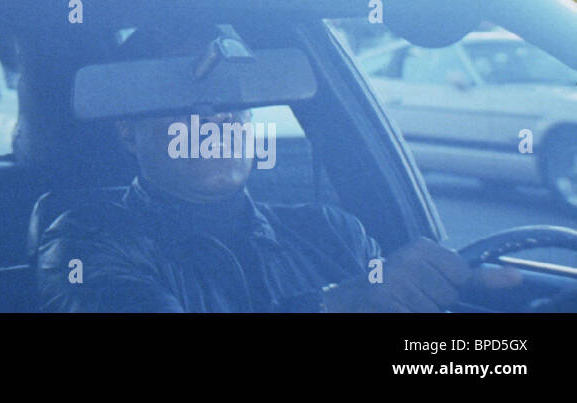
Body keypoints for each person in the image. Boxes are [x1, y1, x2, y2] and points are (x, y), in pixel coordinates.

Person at [35, 108, 522, 312]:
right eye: (189, 101)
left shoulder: (331, 229)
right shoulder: (81, 242)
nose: (218, 116)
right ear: (127, 130)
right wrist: (334, 304)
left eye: (234, 100)